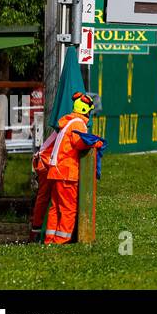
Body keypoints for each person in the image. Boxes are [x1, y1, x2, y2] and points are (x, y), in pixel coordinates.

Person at [29, 91, 104, 245]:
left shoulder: (67, 123)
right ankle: (62, 240)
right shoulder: (78, 123)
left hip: (55, 171)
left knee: (55, 207)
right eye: (90, 111)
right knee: (68, 208)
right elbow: (79, 142)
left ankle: (49, 240)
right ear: (86, 110)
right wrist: (96, 143)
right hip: (66, 173)